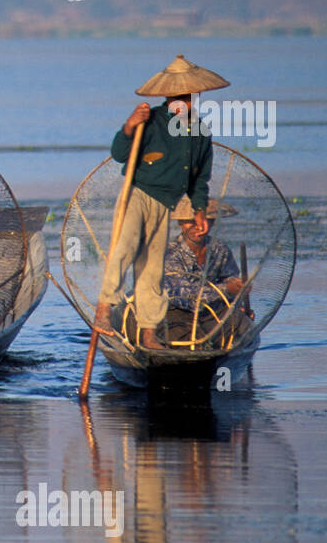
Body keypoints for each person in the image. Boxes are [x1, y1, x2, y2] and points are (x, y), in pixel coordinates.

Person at [96, 54, 228, 350]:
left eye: (189, 98)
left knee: (152, 269)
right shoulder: (151, 121)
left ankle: (149, 333)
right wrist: (130, 126)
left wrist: (198, 210)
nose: (184, 103)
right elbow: (119, 153)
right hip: (138, 195)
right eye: (178, 97)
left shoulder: (199, 131)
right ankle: (104, 309)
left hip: (165, 204)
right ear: (168, 98)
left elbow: (199, 178)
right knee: (125, 248)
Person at [161, 196, 245, 343]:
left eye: (204, 222)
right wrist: (227, 288)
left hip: (211, 314)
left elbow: (232, 281)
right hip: (177, 315)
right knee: (189, 341)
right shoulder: (170, 254)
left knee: (242, 325)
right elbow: (187, 298)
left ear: (211, 222)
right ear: (180, 224)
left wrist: (239, 299)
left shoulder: (220, 249)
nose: (197, 228)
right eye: (190, 222)